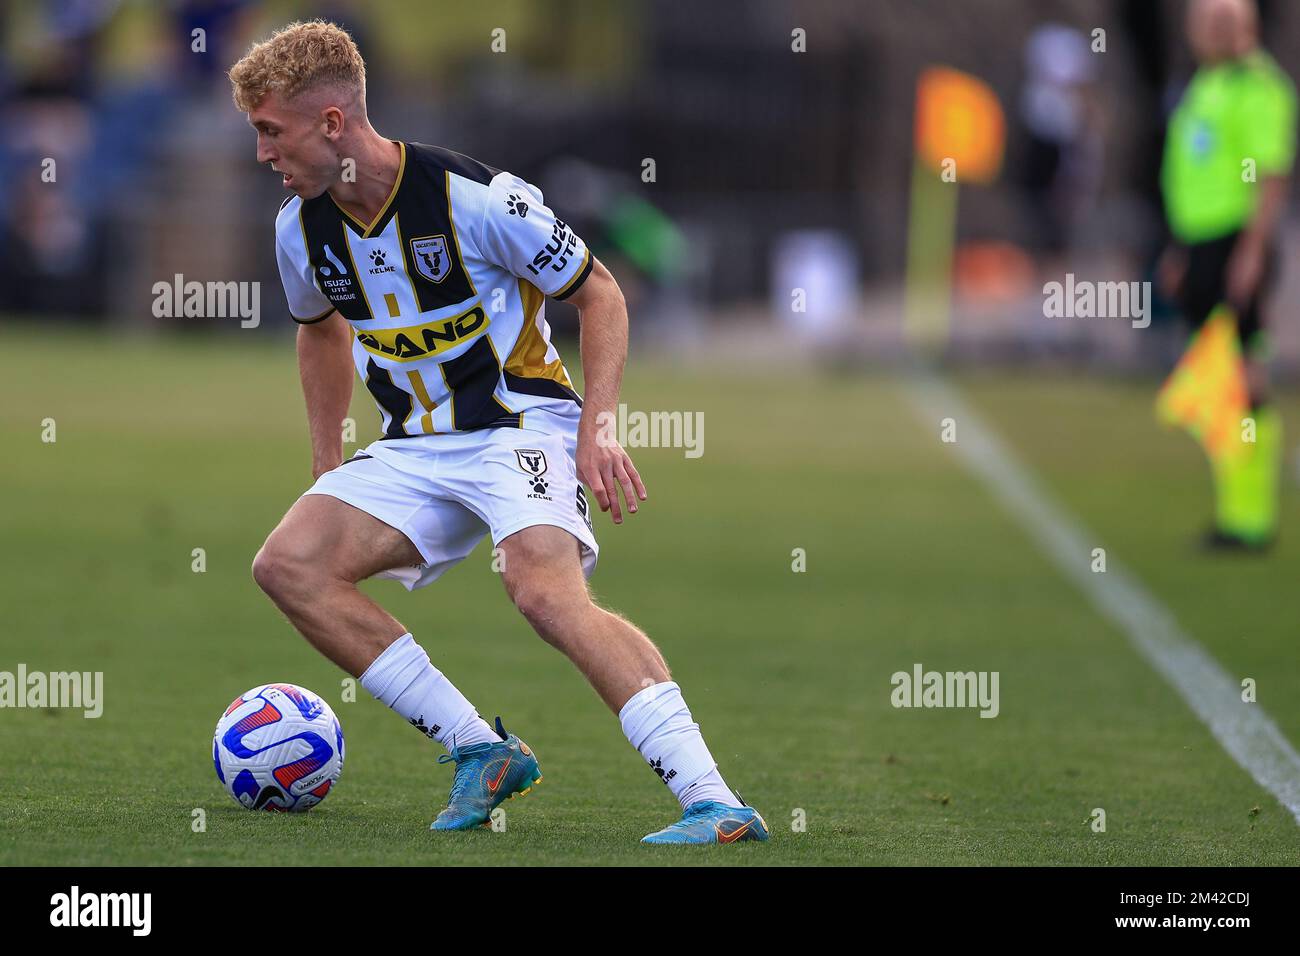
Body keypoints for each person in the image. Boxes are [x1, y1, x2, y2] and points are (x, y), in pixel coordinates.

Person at [228, 20, 767, 844]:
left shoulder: (474, 198)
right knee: (289, 565)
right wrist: (327, 463)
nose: (264, 154)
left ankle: (714, 800)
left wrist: (599, 428)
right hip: (414, 447)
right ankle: (479, 747)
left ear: (332, 124)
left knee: (543, 592)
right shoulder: (298, 228)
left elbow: (602, 295)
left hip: (520, 426)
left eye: (272, 131)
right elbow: (320, 331)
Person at [1158, 0, 1296, 549]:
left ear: (1249, 29)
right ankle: (1234, 510)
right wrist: (1180, 251)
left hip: (1236, 241)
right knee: (1216, 381)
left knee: (1243, 376)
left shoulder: (1259, 87)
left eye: (1225, 22)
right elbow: (1193, 172)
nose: (1213, 32)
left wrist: (1251, 252)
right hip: (1201, 243)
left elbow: (1270, 176)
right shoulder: (1205, 85)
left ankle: (1251, 517)